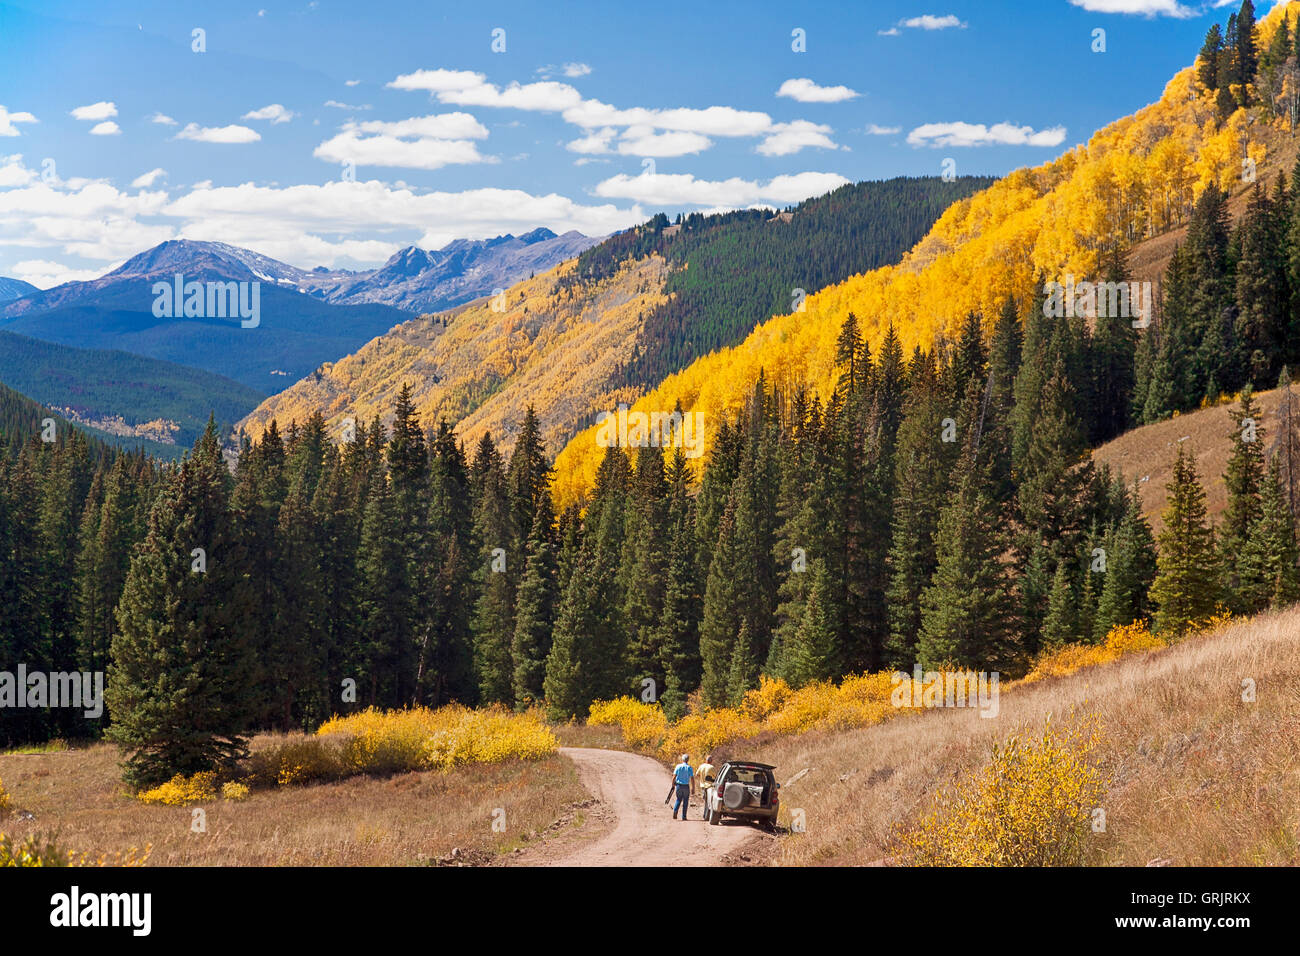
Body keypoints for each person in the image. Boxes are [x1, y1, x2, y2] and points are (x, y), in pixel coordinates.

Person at [669, 753, 694, 820]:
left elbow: (674, 776)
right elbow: (692, 778)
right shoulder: (689, 768)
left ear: (682, 759)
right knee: (685, 801)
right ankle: (684, 816)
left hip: (679, 786)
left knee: (678, 799)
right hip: (686, 786)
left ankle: (675, 810)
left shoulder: (678, 766)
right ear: (688, 760)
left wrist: (673, 784)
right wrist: (693, 788)